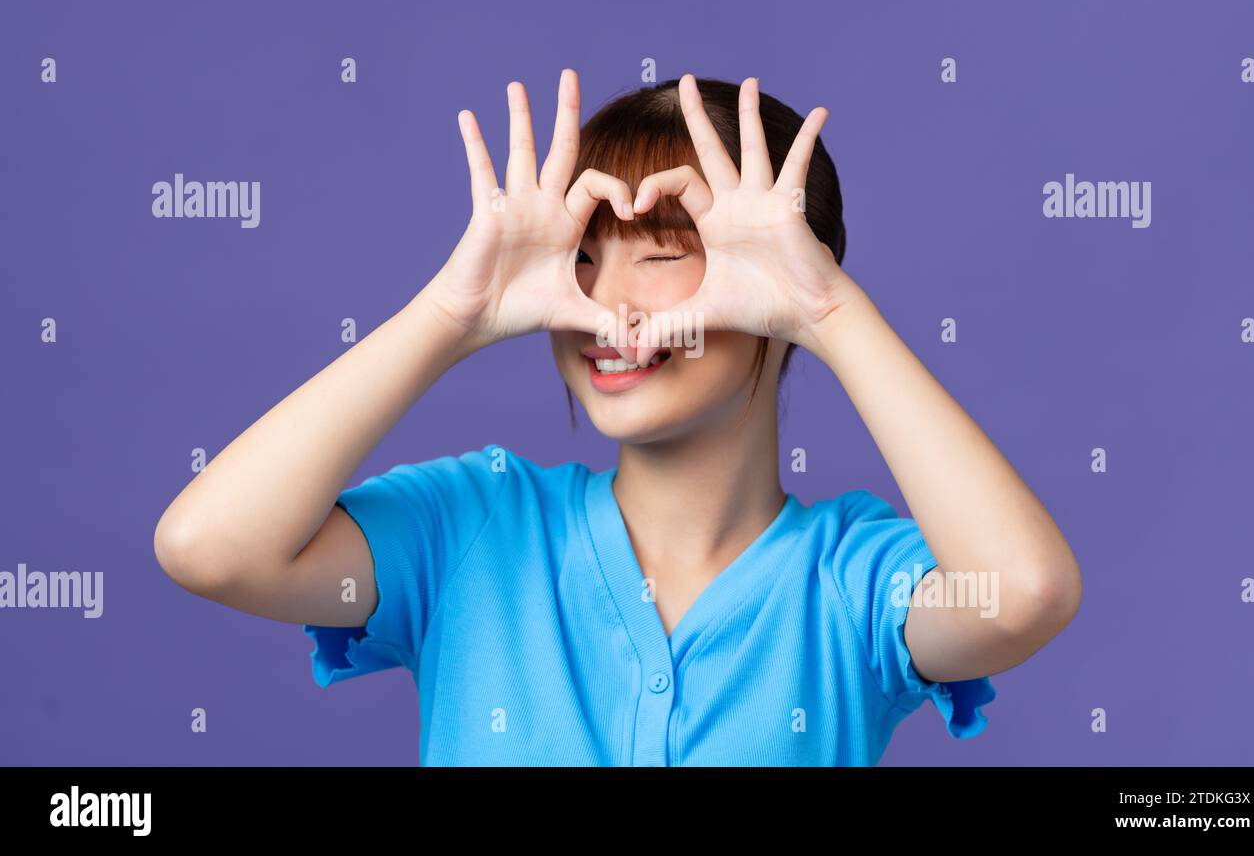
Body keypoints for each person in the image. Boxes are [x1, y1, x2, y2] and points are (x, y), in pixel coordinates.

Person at [154, 69, 1081, 765]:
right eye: (584, 257)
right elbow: (211, 546)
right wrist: (452, 315)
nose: (607, 304)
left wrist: (830, 313)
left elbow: (1026, 594)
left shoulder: (851, 582)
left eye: (665, 252)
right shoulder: (474, 526)